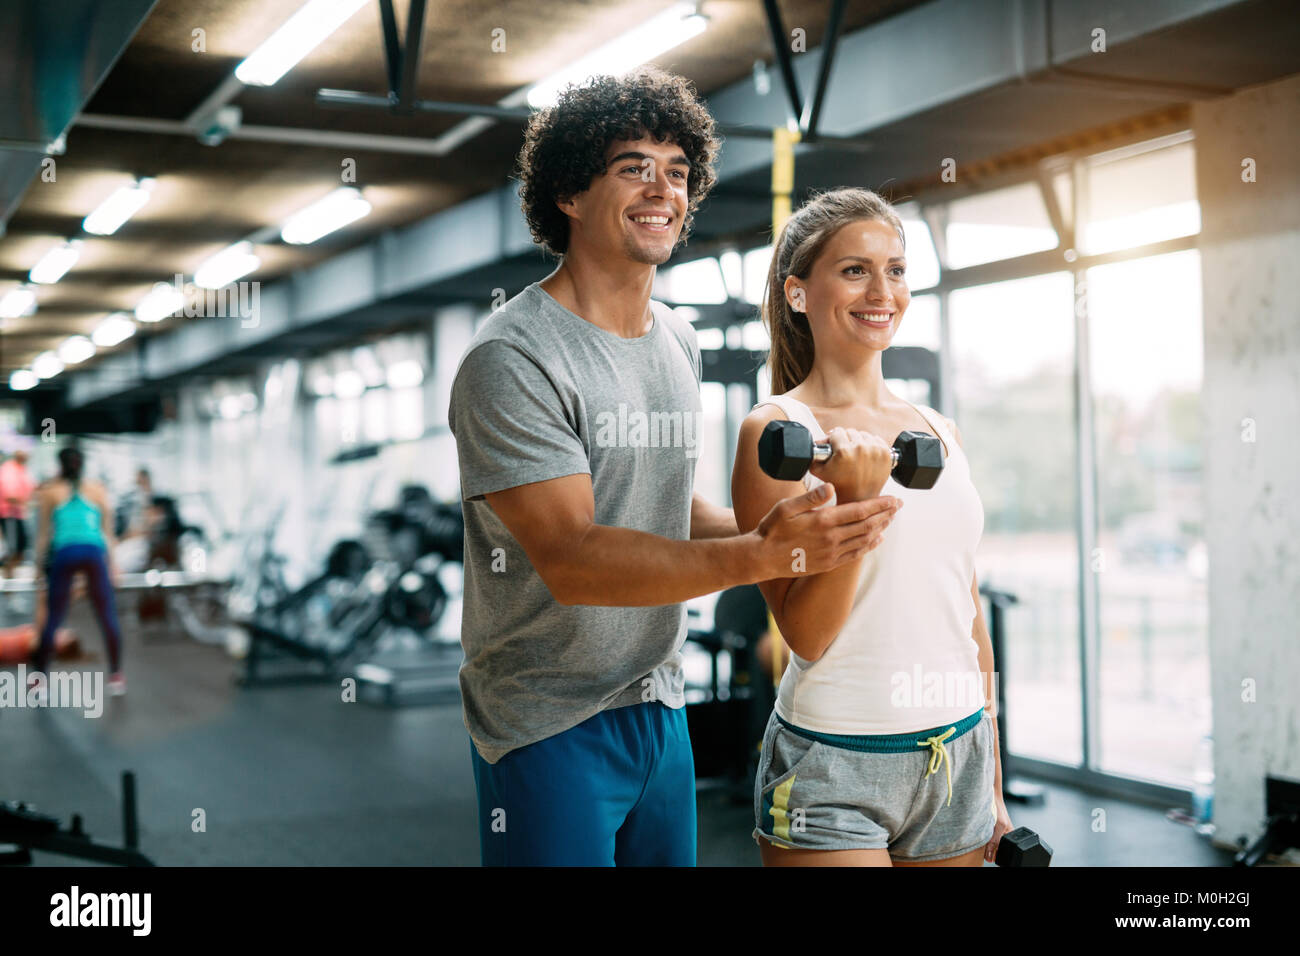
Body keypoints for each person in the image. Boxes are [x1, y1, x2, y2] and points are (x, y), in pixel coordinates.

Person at [448, 69, 901, 867]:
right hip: (546, 718)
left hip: (658, 703)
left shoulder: (676, 341)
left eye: (679, 172)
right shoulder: (512, 357)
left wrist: (789, 529)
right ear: (568, 192)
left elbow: (658, 502)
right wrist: (762, 555)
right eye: (634, 167)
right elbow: (575, 559)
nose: (664, 189)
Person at [732, 186, 1012, 867]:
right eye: (855, 269)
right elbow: (807, 634)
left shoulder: (937, 430)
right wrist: (857, 497)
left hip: (955, 754)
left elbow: (965, 611)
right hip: (835, 761)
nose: (880, 290)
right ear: (798, 293)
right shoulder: (775, 433)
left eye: (895, 269)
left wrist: (994, 780)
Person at [31, 446, 126, 697]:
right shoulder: (96, 489)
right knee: (106, 614)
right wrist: (113, 565)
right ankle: (116, 676)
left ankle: (40, 681)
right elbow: (108, 533)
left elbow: (43, 537)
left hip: (65, 553)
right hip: (94, 553)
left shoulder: (50, 492)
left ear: (60, 465)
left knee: (54, 617)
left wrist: (39, 569)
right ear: (82, 465)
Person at [0, 448, 36, 578]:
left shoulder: (21, 469)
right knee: (12, 549)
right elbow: (10, 495)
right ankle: (8, 577)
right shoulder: (9, 470)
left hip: (19, 514)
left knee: (20, 548)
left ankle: (10, 576)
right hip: (9, 514)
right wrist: (28, 502)